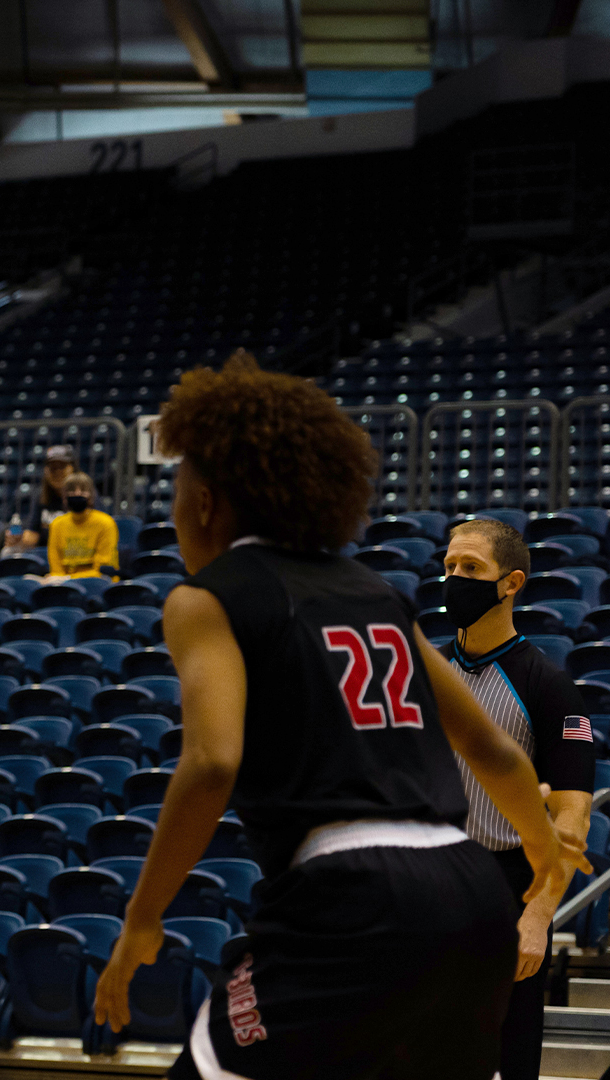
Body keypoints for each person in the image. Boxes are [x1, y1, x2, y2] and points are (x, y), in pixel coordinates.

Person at [89, 352, 588, 1080]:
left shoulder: (207, 596)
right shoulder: (375, 591)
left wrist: (141, 920)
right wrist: (544, 860)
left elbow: (212, 763)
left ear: (204, 500)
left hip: (352, 892)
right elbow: (492, 750)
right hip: (471, 894)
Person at [440, 517, 593, 1080]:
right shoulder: (425, 672)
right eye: (450, 566)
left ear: (512, 582)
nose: (454, 578)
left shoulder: (547, 685)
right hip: (433, 880)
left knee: (507, 1060)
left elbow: (572, 816)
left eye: (471, 569)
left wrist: (538, 917)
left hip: (511, 887)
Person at [0, 443, 74, 558]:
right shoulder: (41, 495)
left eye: (62, 467)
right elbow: (32, 535)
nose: (57, 472)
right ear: (46, 470)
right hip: (43, 553)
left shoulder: (84, 492)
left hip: (73, 551)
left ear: (72, 468)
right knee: (7, 551)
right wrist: (18, 541)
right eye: (53, 468)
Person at [46, 471, 118, 579]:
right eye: (71, 490)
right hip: (64, 585)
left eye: (83, 490)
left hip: (98, 583)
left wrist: (68, 579)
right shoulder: (57, 524)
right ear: (64, 497)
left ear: (91, 495)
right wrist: (61, 579)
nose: (77, 494)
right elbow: (56, 569)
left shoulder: (105, 523)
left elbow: (103, 570)